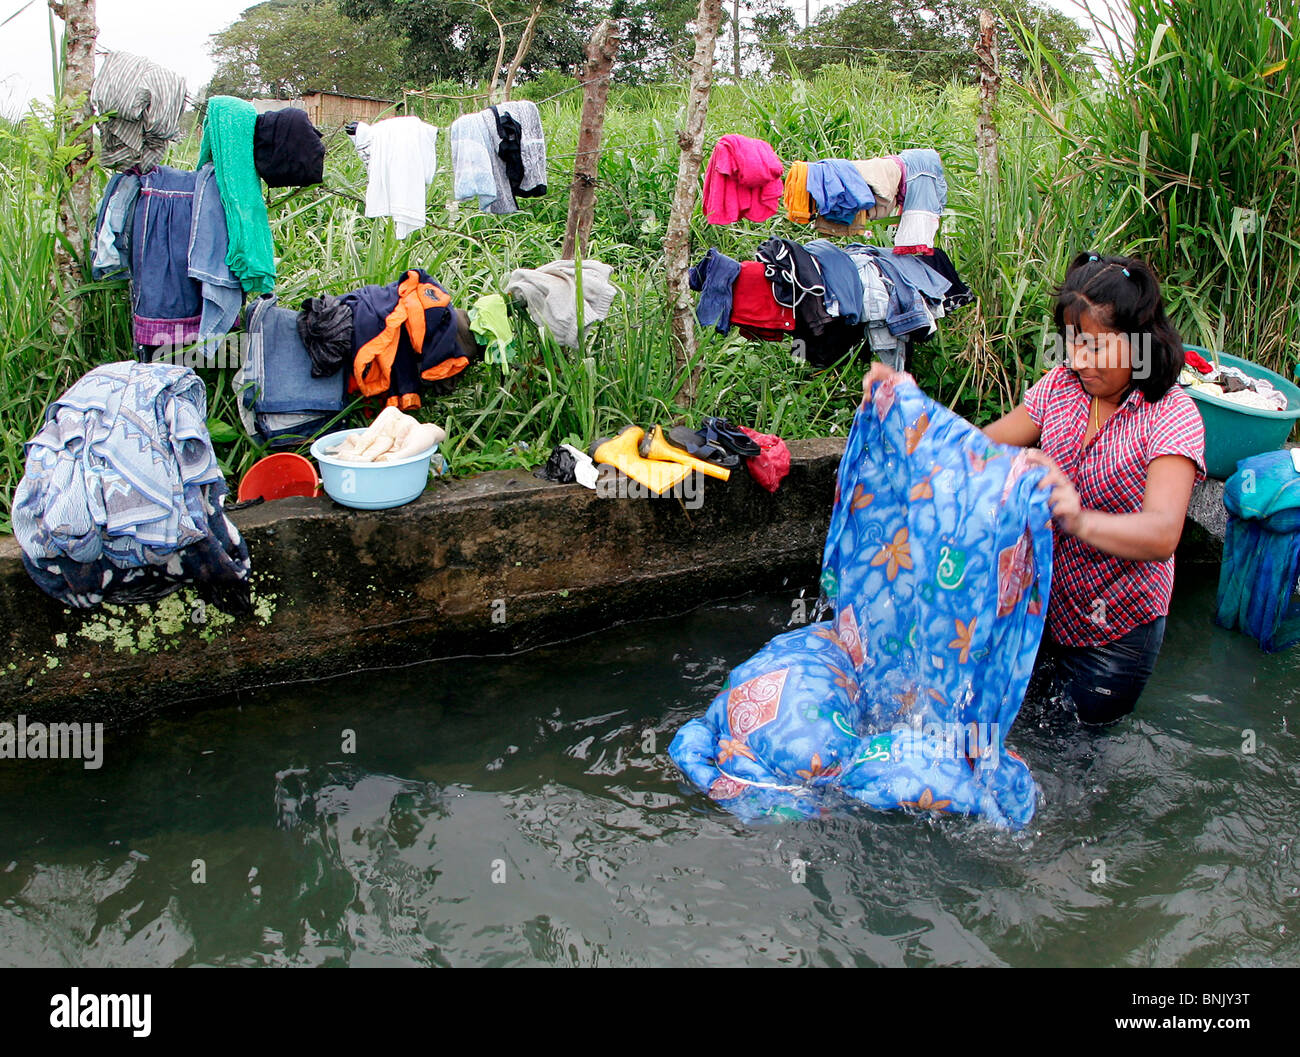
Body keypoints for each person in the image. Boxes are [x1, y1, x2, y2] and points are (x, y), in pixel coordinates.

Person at [863, 252, 1205, 724]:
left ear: (1139, 342)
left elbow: (1163, 532)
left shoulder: (1171, 415)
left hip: (1114, 633)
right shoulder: (1061, 387)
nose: (1078, 360)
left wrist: (1079, 518)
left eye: (1095, 347)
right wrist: (906, 406)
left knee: (1074, 755)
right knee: (1015, 727)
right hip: (1038, 609)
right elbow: (975, 451)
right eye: (1071, 343)